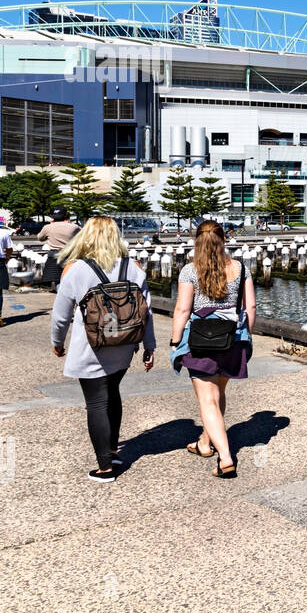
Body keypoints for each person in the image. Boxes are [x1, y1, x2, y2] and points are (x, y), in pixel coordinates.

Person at [50, 216, 156, 482]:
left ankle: (105, 466)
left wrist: (57, 342)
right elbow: (147, 313)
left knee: (96, 402)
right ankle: (111, 449)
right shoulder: (134, 267)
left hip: (92, 345)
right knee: (112, 393)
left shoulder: (75, 269)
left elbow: (61, 315)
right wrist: (149, 346)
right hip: (124, 343)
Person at [170, 220, 255, 479]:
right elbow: (249, 308)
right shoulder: (240, 269)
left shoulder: (189, 271)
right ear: (224, 239)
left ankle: (226, 458)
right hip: (232, 340)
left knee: (208, 400)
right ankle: (204, 443)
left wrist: (175, 341)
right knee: (217, 394)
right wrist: (245, 336)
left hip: (201, 341)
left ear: (197, 241)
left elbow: (183, 310)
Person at [37, 206, 78, 286]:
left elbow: (40, 238)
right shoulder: (74, 227)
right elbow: (82, 237)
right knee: (71, 279)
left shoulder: (47, 227)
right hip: (69, 255)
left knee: (57, 281)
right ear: (66, 216)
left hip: (54, 256)